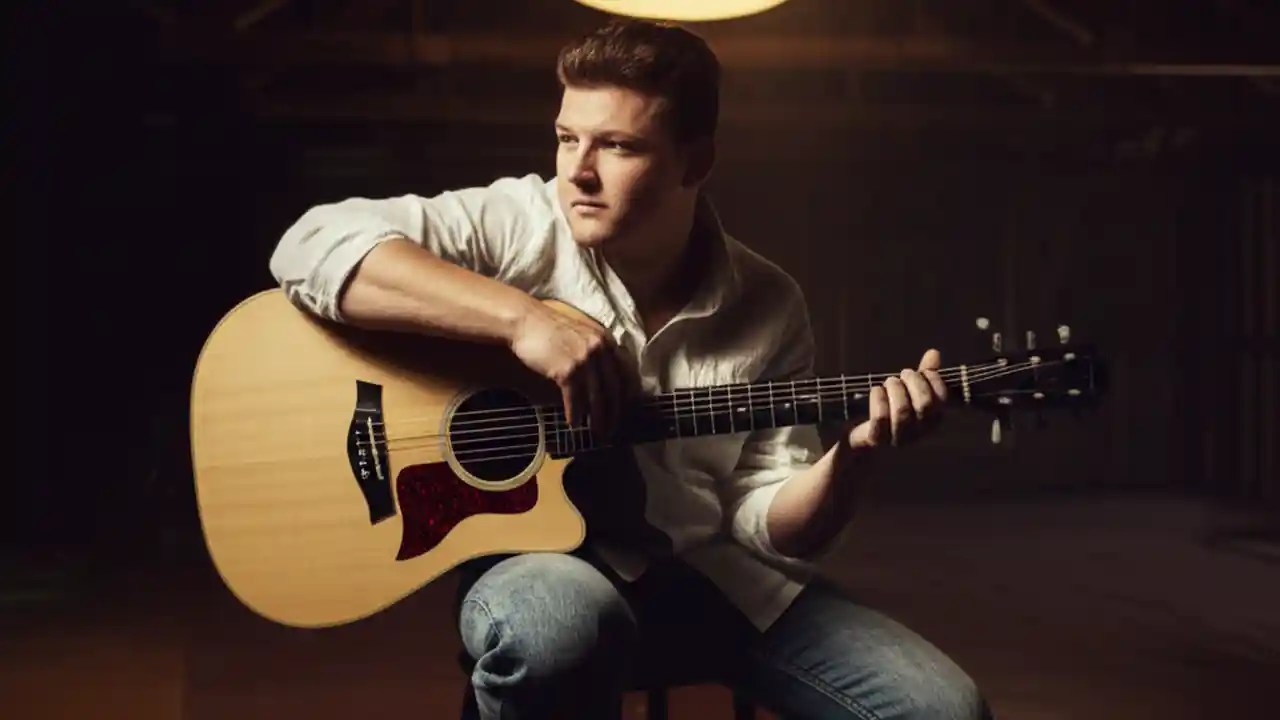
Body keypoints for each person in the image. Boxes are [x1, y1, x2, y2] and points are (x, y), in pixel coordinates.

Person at [269, 17, 991, 720]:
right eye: (566, 138)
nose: (578, 172)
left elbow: (765, 522)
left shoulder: (769, 302)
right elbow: (310, 245)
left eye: (617, 145)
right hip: (543, 564)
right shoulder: (520, 222)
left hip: (708, 582)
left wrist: (853, 459)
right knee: (565, 624)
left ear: (694, 162)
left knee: (942, 707)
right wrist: (523, 320)